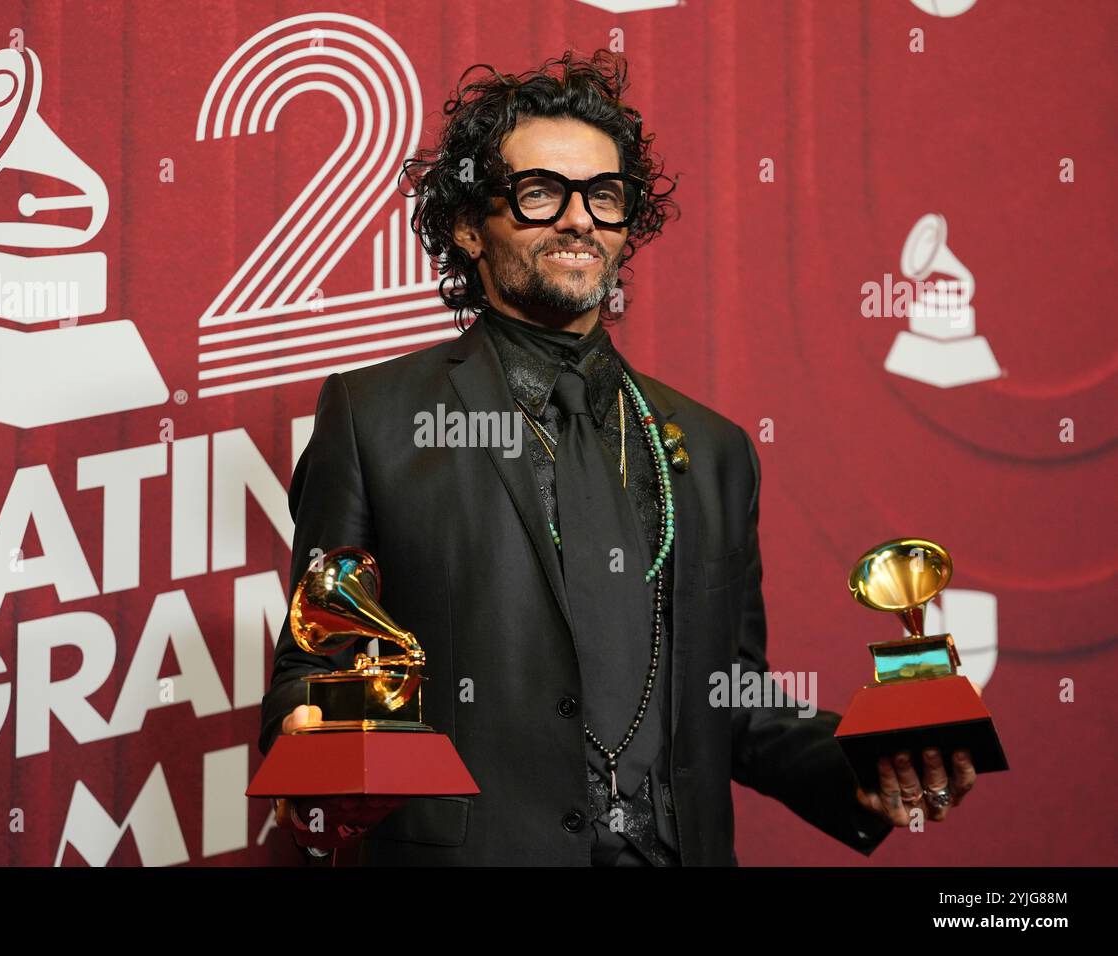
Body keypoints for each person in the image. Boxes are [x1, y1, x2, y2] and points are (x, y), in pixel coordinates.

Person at [259, 50, 977, 866]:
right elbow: (315, 661)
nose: (579, 220)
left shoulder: (714, 449)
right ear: (467, 225)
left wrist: (860, 768)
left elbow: (728, 702)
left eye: (604, 196)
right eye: (539, 194)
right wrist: (306, 729)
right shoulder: (375, 418)